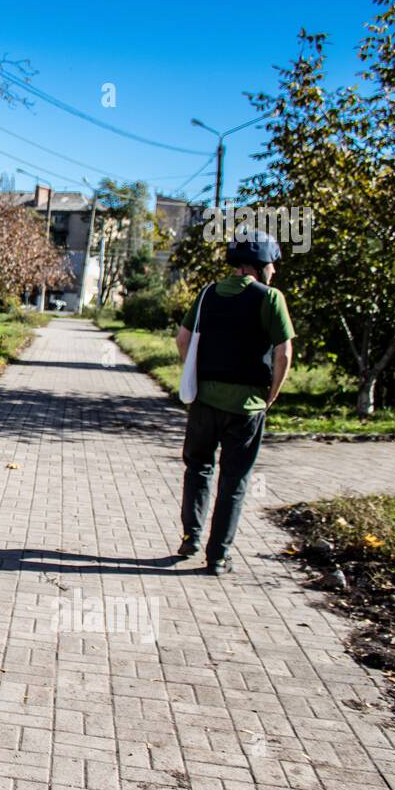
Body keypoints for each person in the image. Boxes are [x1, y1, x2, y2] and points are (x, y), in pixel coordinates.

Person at [175, 227, 295, 574]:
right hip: (247, 407)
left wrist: (195, 375)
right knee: (234, 480)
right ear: (261, 265)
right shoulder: (270, 299)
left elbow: (182, 340)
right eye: (272, 264)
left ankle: (190, 539)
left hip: (203, 402)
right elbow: (283, 353)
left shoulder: (208, 294)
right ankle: (218, 557)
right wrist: (271, 394)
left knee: (198, 468)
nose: (273, 271)